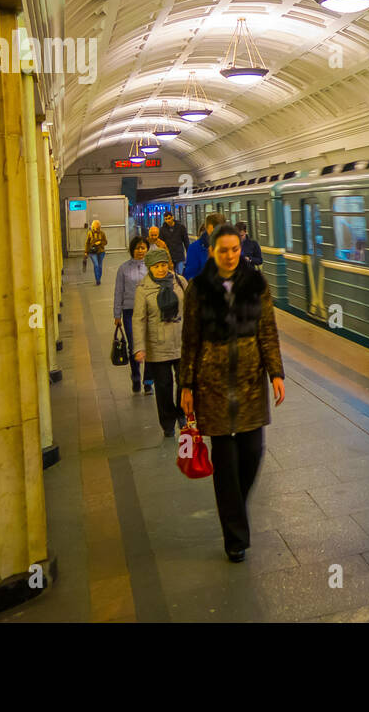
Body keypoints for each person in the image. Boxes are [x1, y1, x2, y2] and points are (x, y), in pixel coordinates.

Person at [179, 224, 286, 562]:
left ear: (241, 249)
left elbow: (267, 329)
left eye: (235, 249)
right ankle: (235, 538)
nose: (229, 255)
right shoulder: (197, 290)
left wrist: (276, 373)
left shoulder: (256, 284)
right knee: (225, 463)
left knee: (253, 453)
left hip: (251, 381)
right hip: (212, 385)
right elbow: (190, 339)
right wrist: (186, 384)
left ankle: (233, 506)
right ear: (212, 251)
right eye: (223, 250)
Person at [135, 247, 188, 436]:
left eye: (164, 265)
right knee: (164, 387)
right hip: (157, 346)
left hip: (181, 342)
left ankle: (182, 413)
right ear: (150, 267)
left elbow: (191, 309)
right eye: (157, 266)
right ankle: (167, 422)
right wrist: (139, 347)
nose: (161, 269)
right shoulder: (143, 289)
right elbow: (139, 320)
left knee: (184, 382)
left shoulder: (180, 282)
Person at [114, 236, 151, 394]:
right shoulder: (123, 269)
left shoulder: (152, 267)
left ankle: (148, 381)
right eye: (137, 248)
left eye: (143, 248)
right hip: (129, 311)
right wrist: (117, 314)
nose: (140, 251)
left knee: (149, 345)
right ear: (132, 250)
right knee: (133, 345)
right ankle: (136, 376)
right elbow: (118, 292)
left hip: (149, 311)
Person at [183, 212, 224, 281]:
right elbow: (190, 277)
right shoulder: (195, 249)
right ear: (207, 229)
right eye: (213, 232)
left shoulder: (232, 245)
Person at [84, 219, 108, 285]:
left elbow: (105, 242)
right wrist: (86, 252)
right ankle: (97, 279)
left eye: (98, 227)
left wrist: (100, 242)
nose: (97, 228)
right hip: (92, 252)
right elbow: (87, 243)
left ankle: (99, 278)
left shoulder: (102, 233)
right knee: (96, 265)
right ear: (93, 227)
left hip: (101, 251)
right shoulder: (90, 233)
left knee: (100, 266)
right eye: (96, 227)